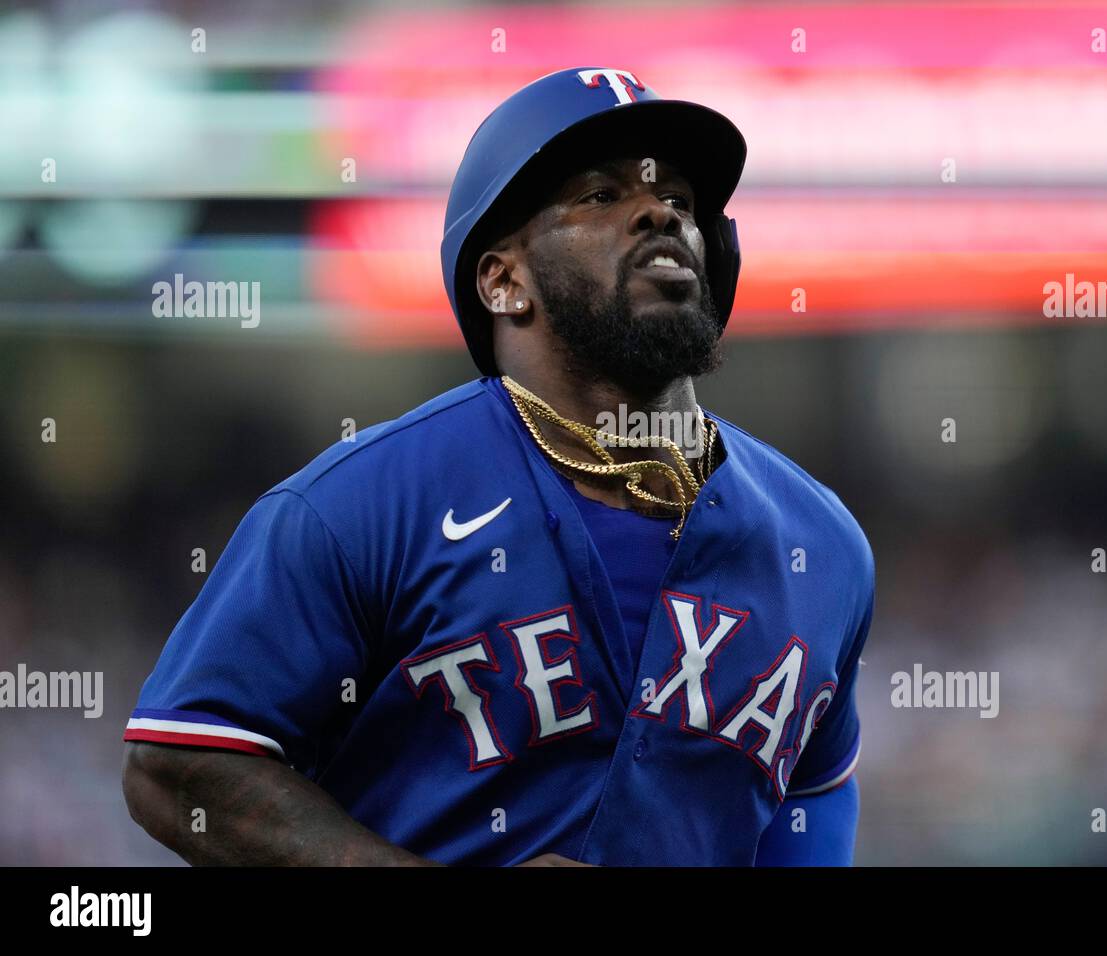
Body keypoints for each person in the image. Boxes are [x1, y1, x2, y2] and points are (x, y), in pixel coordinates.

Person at [121, 66, 875, 866]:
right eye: (598, 196)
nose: (659, 210)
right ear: (504, 279)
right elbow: (176, 766)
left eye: (681, 203)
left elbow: (809, 819)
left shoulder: (821, 544)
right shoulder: (359, 505)